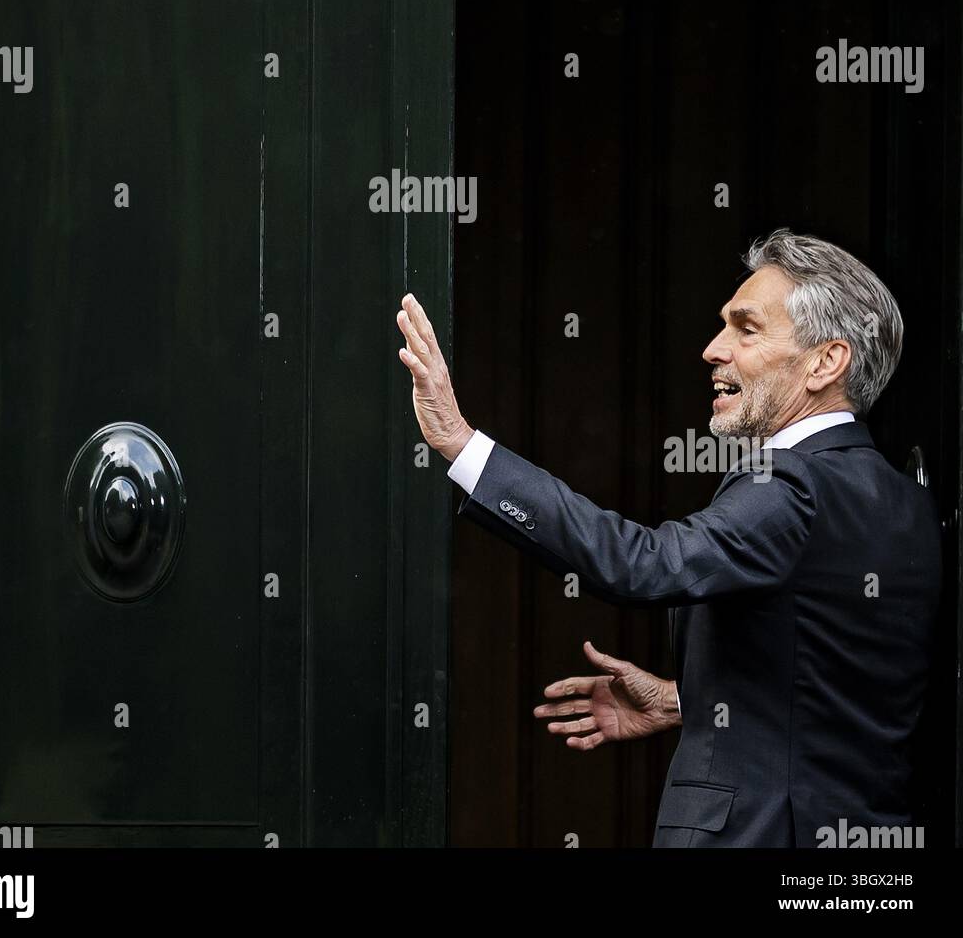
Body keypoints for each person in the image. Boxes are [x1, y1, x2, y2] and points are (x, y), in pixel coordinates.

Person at [396, 229, 942, 847]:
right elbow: (828, 684)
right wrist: (689, 700)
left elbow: (644, 564)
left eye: (746, 329)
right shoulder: (908, 502)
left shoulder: (792, 481)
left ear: (825, 362)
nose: (713, 349)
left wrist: (460, 443)